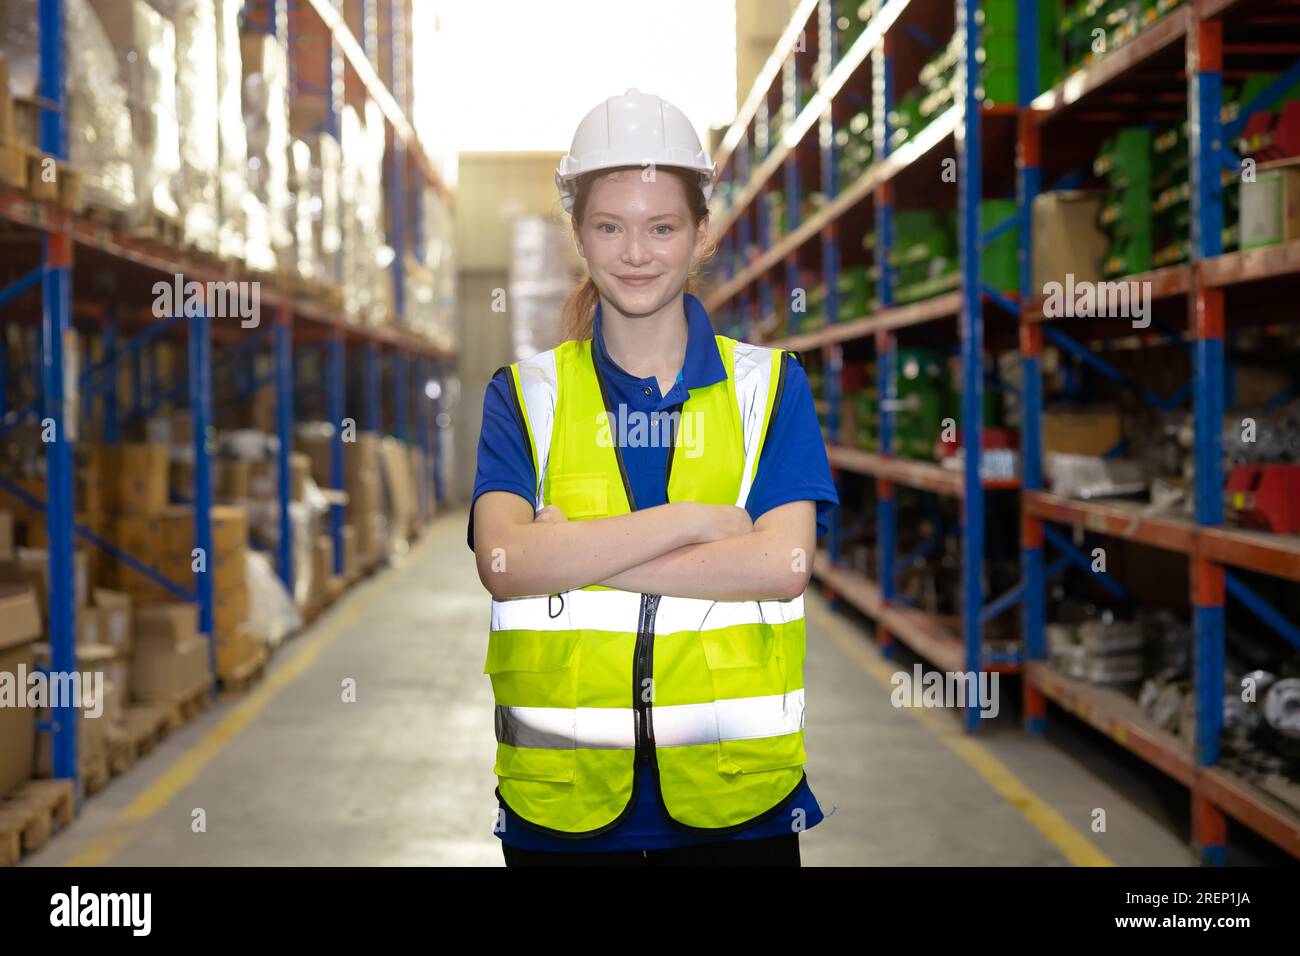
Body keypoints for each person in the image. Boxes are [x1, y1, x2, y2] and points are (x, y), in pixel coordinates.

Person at [468, 89, 840, 867]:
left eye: (661, 227)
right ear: (578, 233)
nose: (636, 253)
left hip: (738, 808)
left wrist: (574, 553)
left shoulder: (768, 386)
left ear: (701, 234)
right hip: (560, 811)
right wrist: (696, 521)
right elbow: (504, 566)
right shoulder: (524, 394)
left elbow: (783, 565)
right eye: (610, 226)